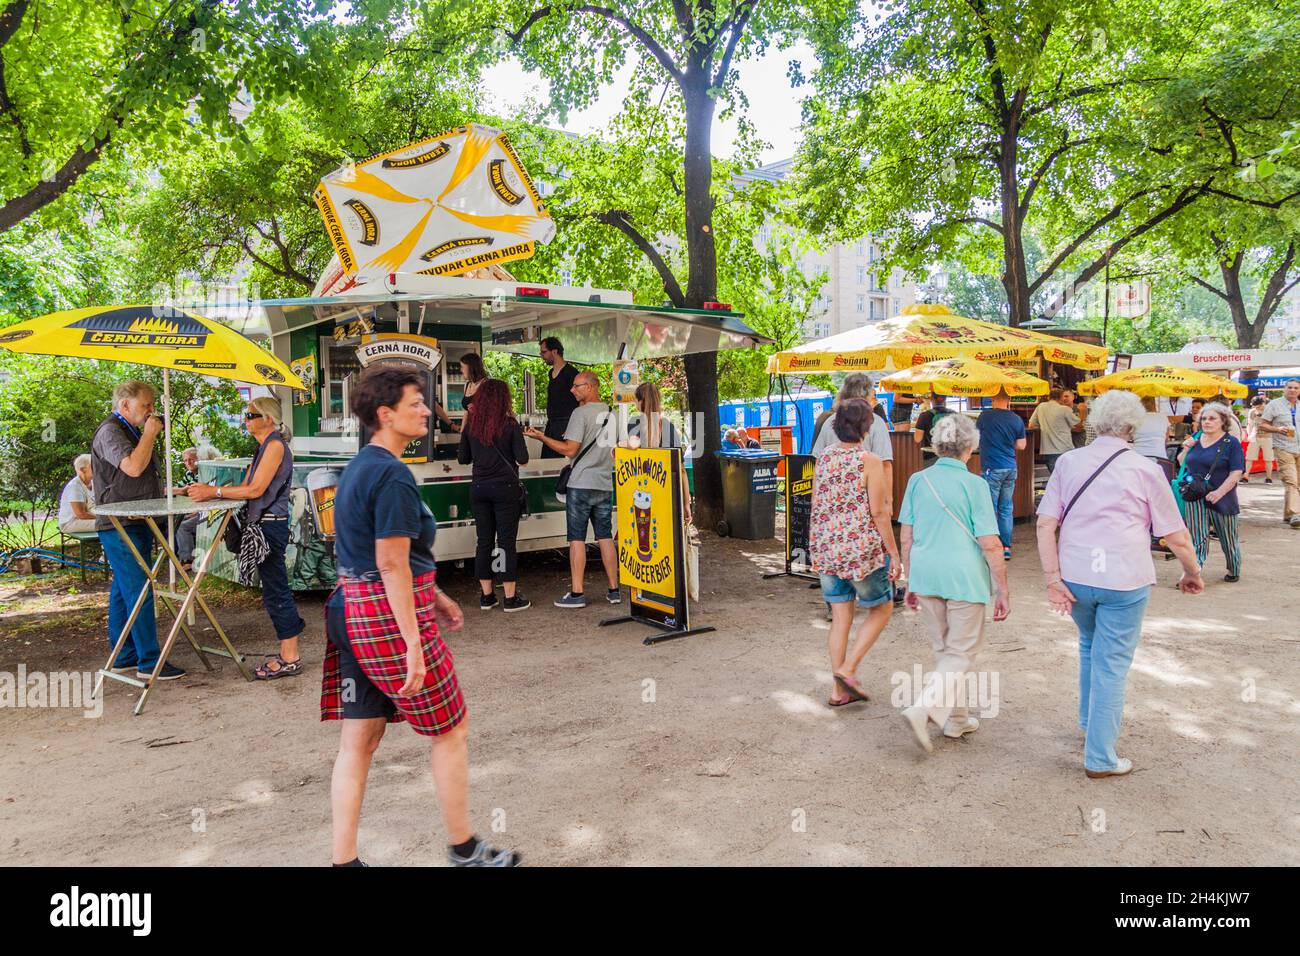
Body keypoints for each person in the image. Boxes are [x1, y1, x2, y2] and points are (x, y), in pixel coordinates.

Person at [321, 366, 519, 867]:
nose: (427, 411)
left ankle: (343, 862)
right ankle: (465, 850)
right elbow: (388, 562)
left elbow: (379, 557)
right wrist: (412, 641)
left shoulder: (361, 466)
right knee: (450, 728)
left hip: (350, 611)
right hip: (386, 620)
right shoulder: (391, 474)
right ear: (385, 415)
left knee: (359, 740)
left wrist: (434, 594)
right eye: (415, 403)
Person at [1035, 389, 1204, 779]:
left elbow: (1046, 523)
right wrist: (1192, 571)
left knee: (1089, 646)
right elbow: (1174, 533)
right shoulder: (1145, 469)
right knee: (1111, 663)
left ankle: (1087, 721)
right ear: (1132, 426)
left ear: (1094, 421)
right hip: (1124, 577)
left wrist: (1052, 579)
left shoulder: (1069, 462)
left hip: (1076, 574)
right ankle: (1100, 757)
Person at [898, 413, 1010, 751]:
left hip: (927, 572)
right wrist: (1002, 588)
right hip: (964, 577)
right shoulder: (975, 485)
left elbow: (907, 535)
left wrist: (909, 577)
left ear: (936, 443)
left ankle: (957, 720)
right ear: (971, 446)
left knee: (945, 650)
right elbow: (990, 543)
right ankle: (924, 708)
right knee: (961, 652)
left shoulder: (918, 480)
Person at [186, 397, 305, 680]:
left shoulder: (275, 445)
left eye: (251, 415)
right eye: (246, 414)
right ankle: (289, 652)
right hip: (262, 525)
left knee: (276, 590)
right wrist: (195, 489)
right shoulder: (264, 447)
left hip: (269, 527)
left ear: (267, 417)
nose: (246, 419)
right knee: (273, 589)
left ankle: (290, 656)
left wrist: (212, 493)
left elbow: (254, 490)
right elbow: (245, 487)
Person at [808, 399, 900, 707]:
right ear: (865, 427)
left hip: (827, 548)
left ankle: (838, 691)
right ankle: (847, 670)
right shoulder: (869, 460)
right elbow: (879, 512)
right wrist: (895, 554)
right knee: (882, 607)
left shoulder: (825, 457)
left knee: (840, 617)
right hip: (859, 551)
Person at [92, 380, 183, 680]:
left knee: (123, 589)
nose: (151, 412)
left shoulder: (129, 430)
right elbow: (132, 467)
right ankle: (149, 662)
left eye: (152, 405)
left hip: (136, 519)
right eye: (146, 405)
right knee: (140, 588)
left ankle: (124, 654)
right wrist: (149, 434)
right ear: (125, 406)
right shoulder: (110, 431)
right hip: (119, 523)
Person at [525, 370, 620, 608]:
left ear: (590, 387)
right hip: (604, 483)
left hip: (580, 484)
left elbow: (569, 449)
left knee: (576, 538)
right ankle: (614, 590)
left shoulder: (580, 413)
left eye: (577, 386)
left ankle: (577, 593)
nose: (572, 390)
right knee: (605, 536)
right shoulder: (613, 414)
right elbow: (617, 451)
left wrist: (541, 438)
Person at [458, 378, 530, 612]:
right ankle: (510, 598)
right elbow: (523, 458)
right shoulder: (510, 425)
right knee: (506, 542)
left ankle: (487, 596)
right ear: (504, 399)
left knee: (484, 541)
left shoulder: (471, 426)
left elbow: (462, 458)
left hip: (479, 488)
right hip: (505, 489)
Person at [1178, 403, 1246, 582]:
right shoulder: (1196, 437)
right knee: (1197, 537)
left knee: (1227, 538)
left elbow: (1237, 472)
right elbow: (1182, 463)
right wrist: (1186, 447)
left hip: (1222, 497)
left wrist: (1220, 493)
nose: (1207, 422)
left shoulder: (1230, 442)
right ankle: (1194, 572)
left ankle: (1234, 567)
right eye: (1204, 419)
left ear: (1223, 421)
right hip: (1194, 494)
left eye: (1212, 418)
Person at [812, 373, 894, 497]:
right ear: (867, 394)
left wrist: (816, 499)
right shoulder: (876, 422)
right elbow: (886, 466)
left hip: (832, 499)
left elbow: (817, 463)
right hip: (864, 500)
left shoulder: (829, 421)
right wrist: (888, 501)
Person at [626, 381, 692, 525]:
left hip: (640, 497)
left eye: (636, 400)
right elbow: (681, 471)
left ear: (641, 401)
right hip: (667, 496)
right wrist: (686, 503)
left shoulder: (633, 424)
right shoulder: (669, 427)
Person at [974, 390, 1026, 560]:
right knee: (1006, 509)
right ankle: (1006, 547)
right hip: (1010, 467)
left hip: (992, 467)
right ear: (1008, 399)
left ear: (994, 398)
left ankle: (990, 546)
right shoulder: (1016, 419)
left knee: (989, 508)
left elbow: (975, 437)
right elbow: (1021, 445)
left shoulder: (985, 417)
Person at [1257, 380, 1300, 528]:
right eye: (1290, 387)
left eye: (1296, 388)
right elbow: (1262, 424)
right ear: (1284, 389)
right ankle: (1295, 514)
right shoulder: (1274, 404)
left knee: (1297, 483)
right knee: (1291, 480)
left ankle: (1288, 515)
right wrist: (1277, 429)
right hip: (1283, 447)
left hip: (1299, 448)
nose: (1293, 390)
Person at [174, 445, 221, 566]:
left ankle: (187, 560)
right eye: (185, 460)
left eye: (193, 459)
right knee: (175, 520)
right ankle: (177, 555)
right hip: (200, 511)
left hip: (213, 514)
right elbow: (181, 489)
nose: (189, 462)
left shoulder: (208, 473)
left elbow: (187, 491)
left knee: (183, 526)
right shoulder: (191, 474)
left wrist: (198, 510)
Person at [539, 336, 579, 458]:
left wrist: (573, 427)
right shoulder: (550, 373)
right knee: (547, 459)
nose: (541, 355)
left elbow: (580, 400)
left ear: (555, 351)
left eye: (544, 352)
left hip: (566, 423)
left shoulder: (571, 373)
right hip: (552, 424)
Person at [1028, 388, 1081, 474]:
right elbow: (1079, 425)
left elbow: (1031, 425)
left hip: (1048, 450)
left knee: (1055, 478)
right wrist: (1083, 411)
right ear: (1060, 397)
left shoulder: (1041, 406)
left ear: (1049, 397)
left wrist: (1045, 425)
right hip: (1065, 448)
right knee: (1066, 478)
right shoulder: (1064, 409)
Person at [58, 454, 97, 534]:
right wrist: (103, 518)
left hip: (84, 519)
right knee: (107, 524)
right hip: (70, 523)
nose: (98, 467)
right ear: (83, 470)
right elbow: (81, 514)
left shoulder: (93, 483)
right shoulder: (75, 486)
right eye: (93, 465)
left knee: (113, 523)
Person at [912, 393, 952, 462]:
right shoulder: (954, 414)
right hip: (951, 455)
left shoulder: (924, 416)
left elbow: (917, 439)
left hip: (931, 456)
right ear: (945, 399)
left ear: (931, 399)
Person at [1244, 394, 1274, 484]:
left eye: (1257, 406)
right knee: (1249, 458)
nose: (1256, 408)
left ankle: (1269, 477)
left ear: (1262, 404)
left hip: (1268, 437)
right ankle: (1246, 476)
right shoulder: (1252, 411)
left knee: (1268, 459)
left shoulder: (1271, 411)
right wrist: (1249, 435)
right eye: (1254, 406)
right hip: (1255, 436)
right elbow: (1250, 424)